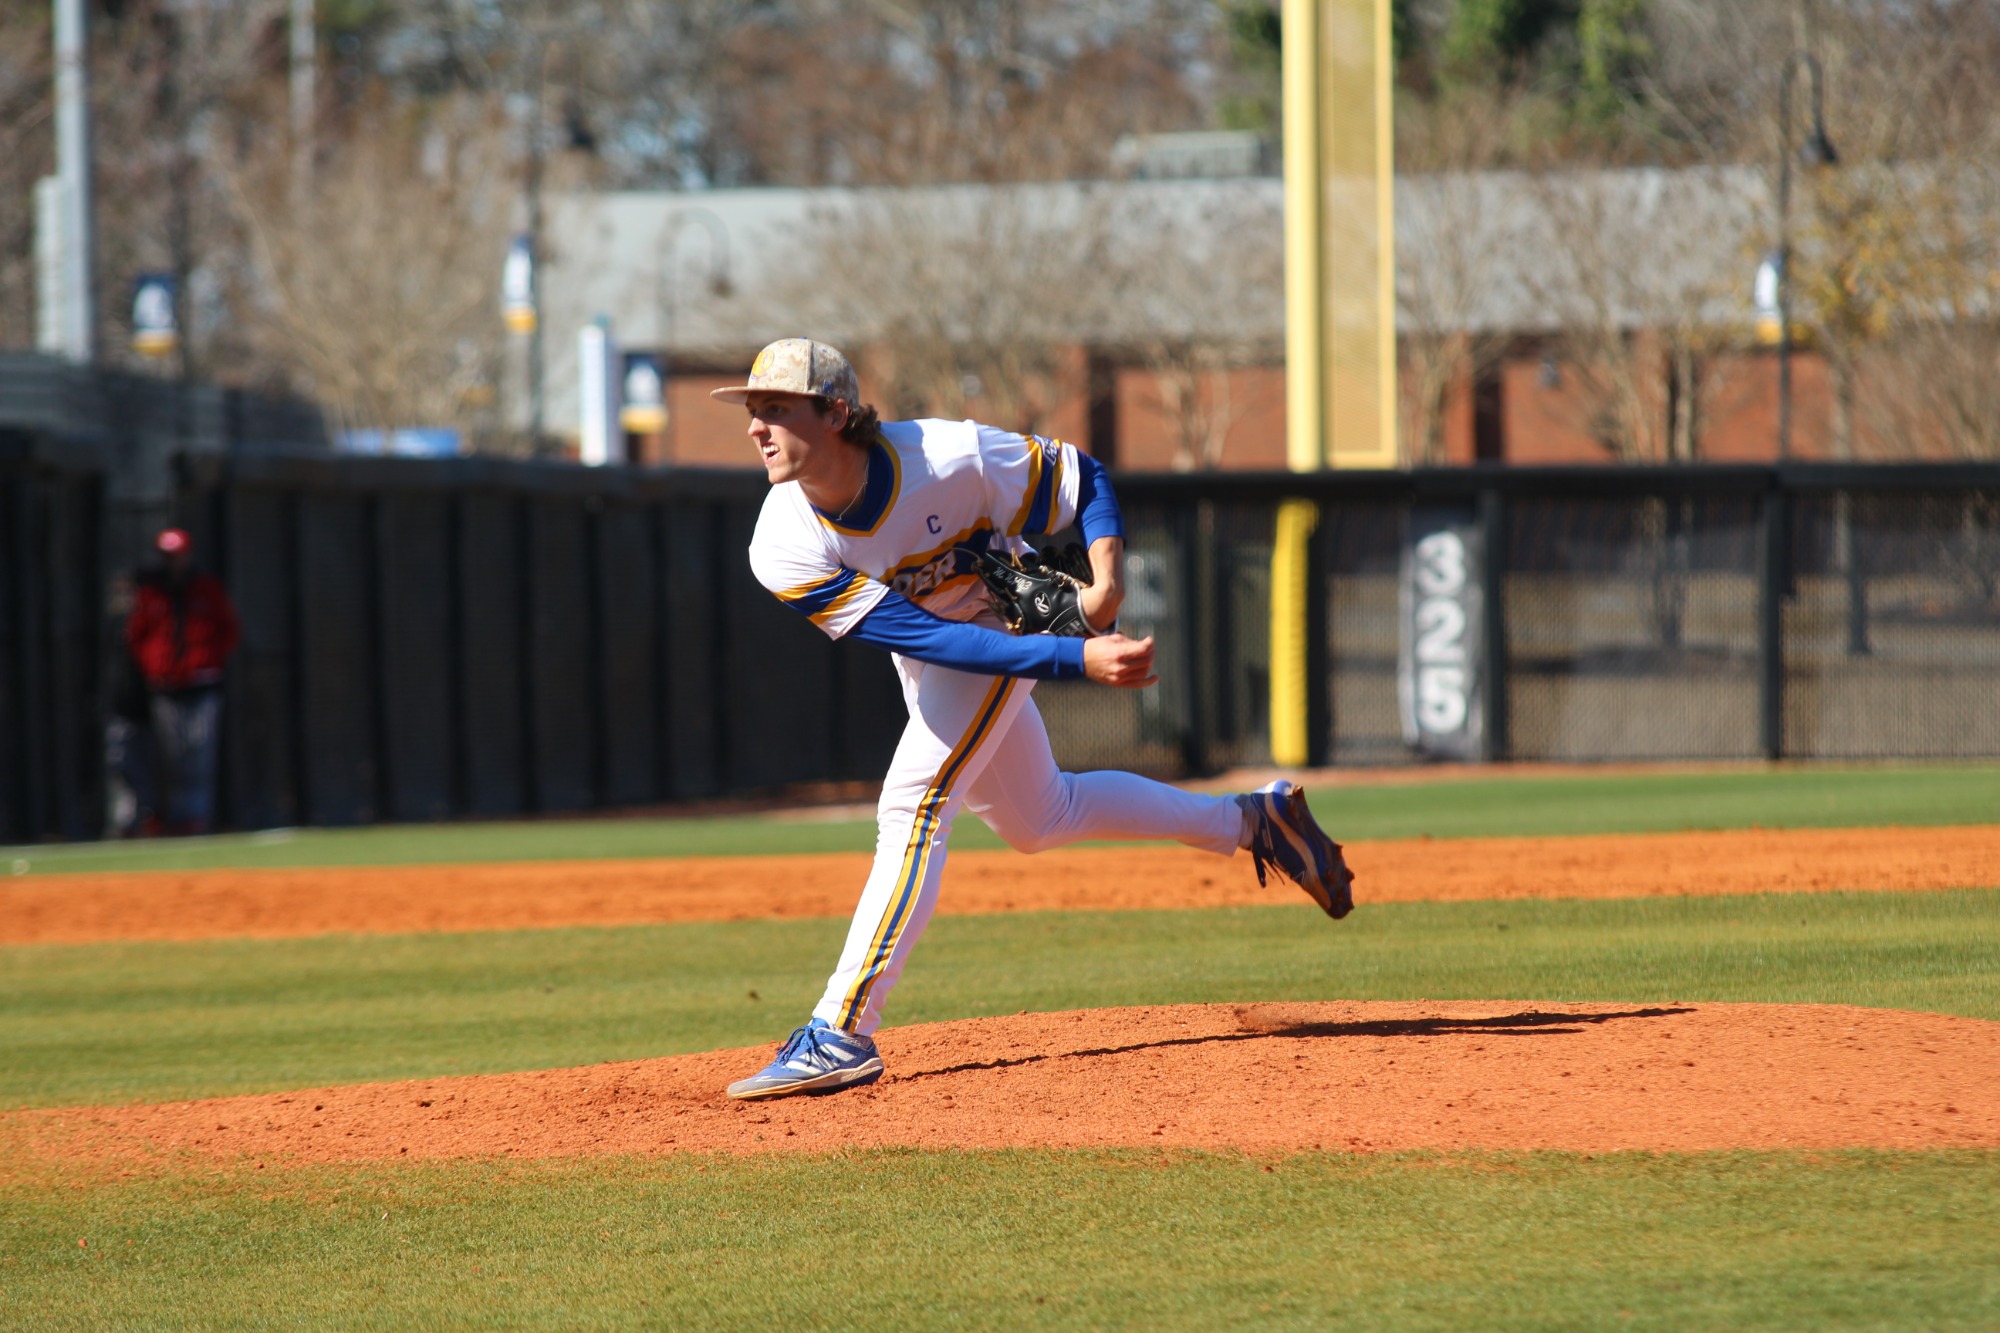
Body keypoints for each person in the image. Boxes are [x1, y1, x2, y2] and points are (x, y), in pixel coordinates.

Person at [715, 339, 1354, 1102]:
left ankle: (841, 1029)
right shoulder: (782, 542)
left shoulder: (947, 456)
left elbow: (1084, 476)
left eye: (776, 409)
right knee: (1043, 815)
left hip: (1000, 627)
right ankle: (1256, 820)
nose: (755, 427)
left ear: (837, 412)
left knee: (913, 805)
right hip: (948, 646)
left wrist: (1107, 582)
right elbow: (926, 638)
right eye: (753, 411)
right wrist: (1073, 656)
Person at [125, 527, 240, 835]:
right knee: (169, 756)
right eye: (167, 557)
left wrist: (209, 662)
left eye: (176, 556)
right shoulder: (150, 594)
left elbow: (228, 629)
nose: (172, 563)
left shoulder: (205, 588)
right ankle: (169, 816)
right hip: (165, 685)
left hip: (201, 684)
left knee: (198, 754)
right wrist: (154, 667)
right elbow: (136, 637)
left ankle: (195, 817)